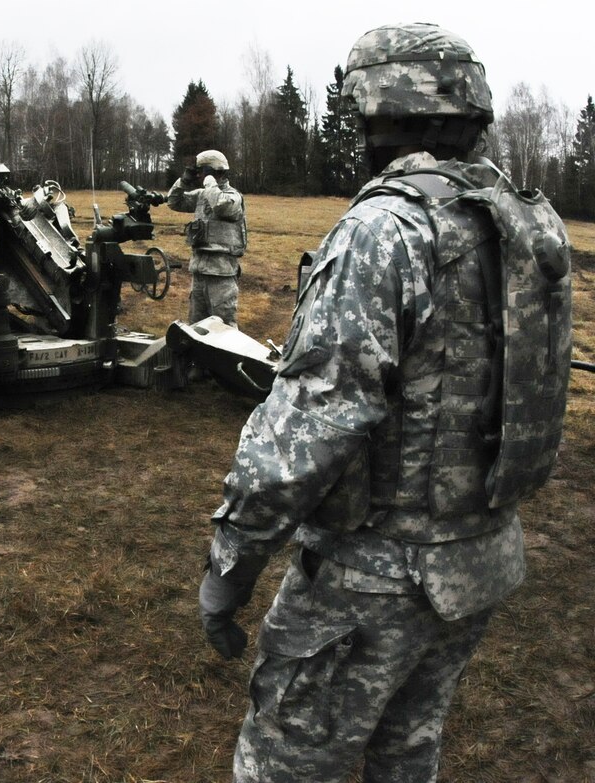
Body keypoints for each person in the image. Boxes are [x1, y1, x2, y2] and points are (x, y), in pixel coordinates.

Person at [197, 23, 571, 782]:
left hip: (371, 579)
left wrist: (230, 565)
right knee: (407, 748)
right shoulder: (527, 220)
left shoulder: (385, 230)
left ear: (381, 113)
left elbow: (308, 428)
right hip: (479, 563)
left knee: (285, 764)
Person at [167, 149, 247, 326]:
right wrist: (184, 180)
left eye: (202, 171)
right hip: (199, 272)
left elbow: (220, 206)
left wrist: (210, 180)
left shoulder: (233, 197)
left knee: (223, 327)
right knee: (196, 327)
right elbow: (173, 201)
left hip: (222, 274)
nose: (199, 175)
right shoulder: (202, 195)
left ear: (214, 171)